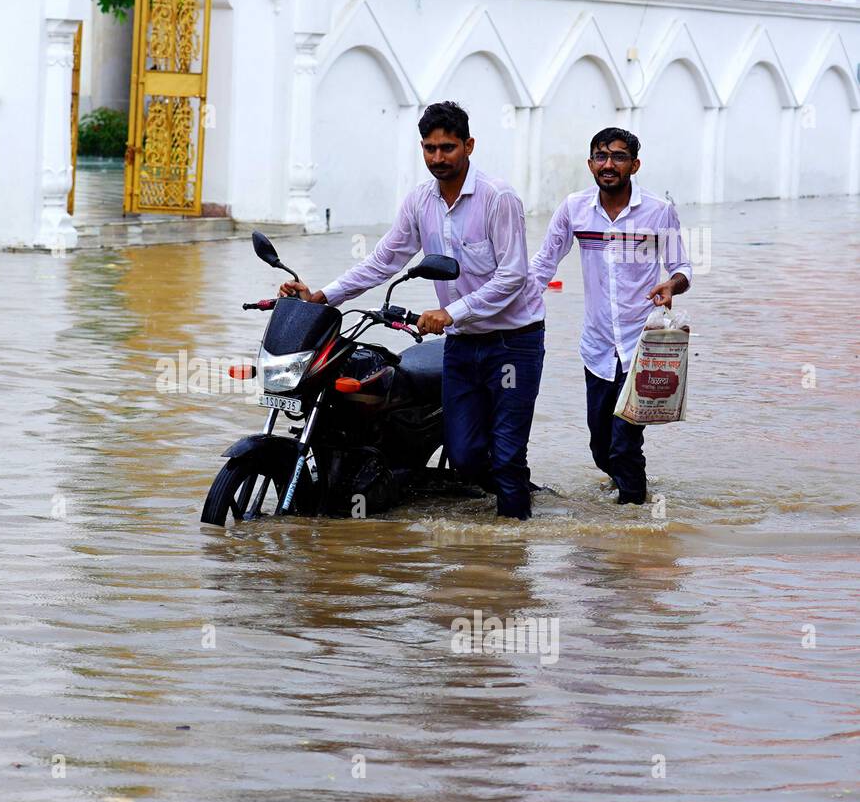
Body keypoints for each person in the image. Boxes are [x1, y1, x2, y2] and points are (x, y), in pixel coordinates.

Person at [279, 101, 546, 519]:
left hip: (514, 343)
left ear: (469, 146)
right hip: (461, 344)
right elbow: (384, 260)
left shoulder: (498, 198)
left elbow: (513, 276)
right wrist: (325, 296)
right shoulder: (420, 201)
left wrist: (451, 311)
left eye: (448, 147)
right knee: (464, 456)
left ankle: (509, 559)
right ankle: (507, 507)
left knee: (508, 455)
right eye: (429, 148)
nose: (438, 158)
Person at [530, 127, 692, 505]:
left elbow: (681, 266)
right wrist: (513, 302)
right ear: (590, 164)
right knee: (600, 446)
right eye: (600, 156)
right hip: (597, 346)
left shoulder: (658, 211)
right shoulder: (574, 209)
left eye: (618, 157)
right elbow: (543, 264)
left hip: (643, 346)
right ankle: (627, 502)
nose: (608, 164)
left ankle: (633, 528)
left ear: (634, 165)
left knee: (624, 444)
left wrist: (672, 285)